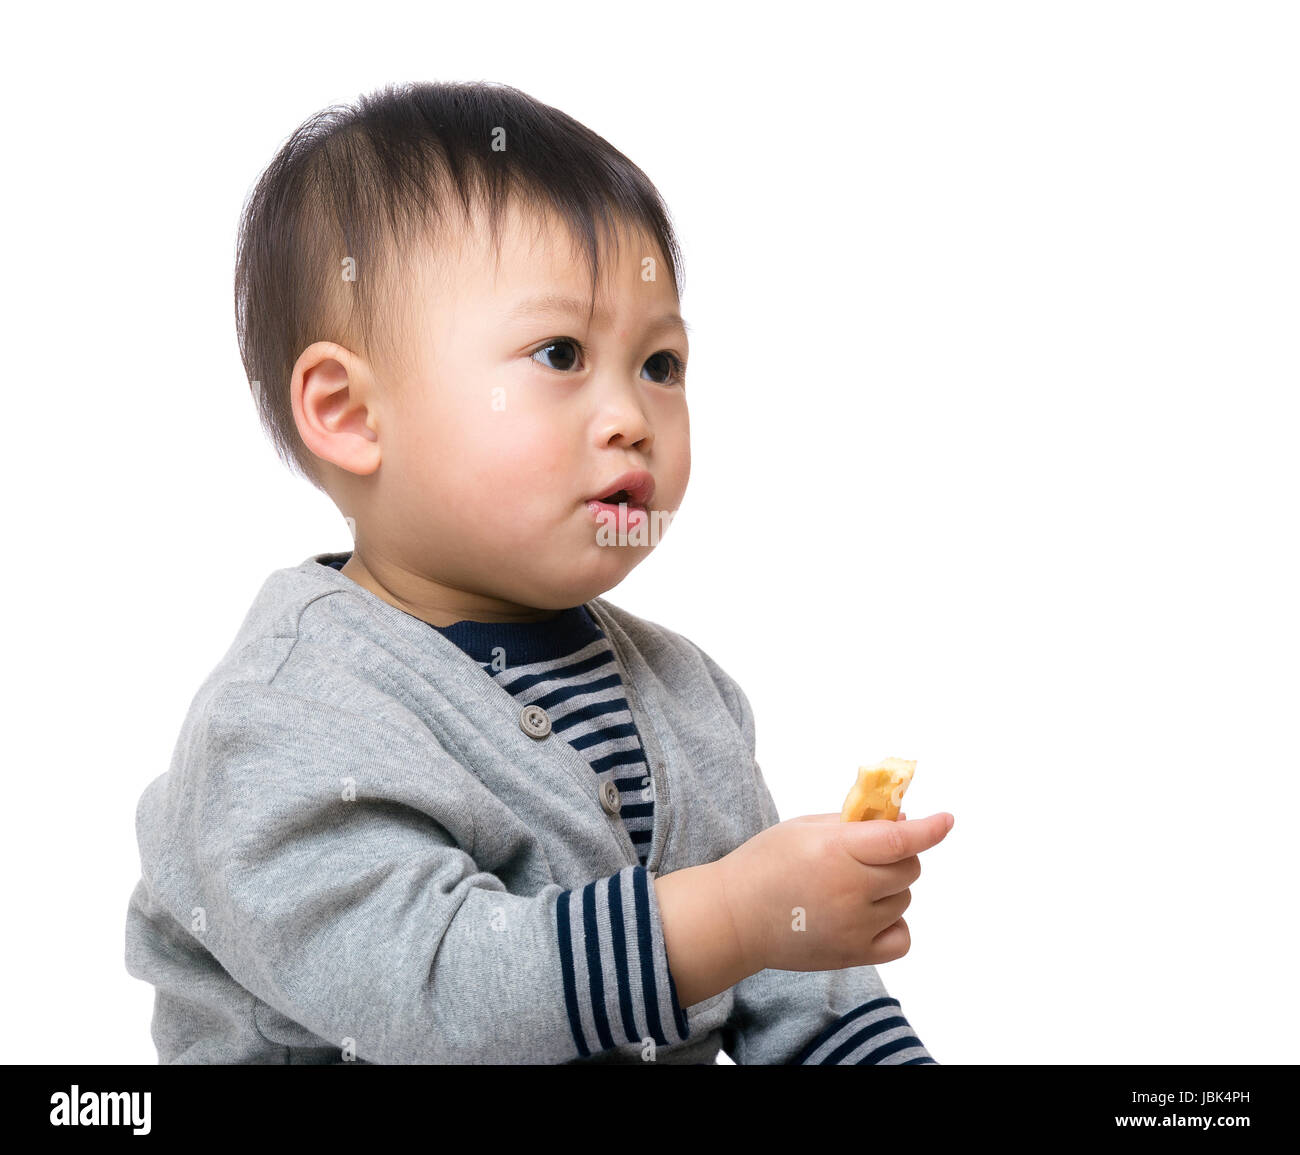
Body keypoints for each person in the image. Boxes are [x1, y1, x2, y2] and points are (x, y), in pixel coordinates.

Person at [124, 79, 954, 1064]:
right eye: (559, 352)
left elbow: (790, 986)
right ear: (351, 413)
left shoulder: (685, 698)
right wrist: (736, 913)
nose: (630, 417)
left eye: (659, 364)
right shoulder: (284, 722)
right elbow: (438, 997)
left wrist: (794, 931)